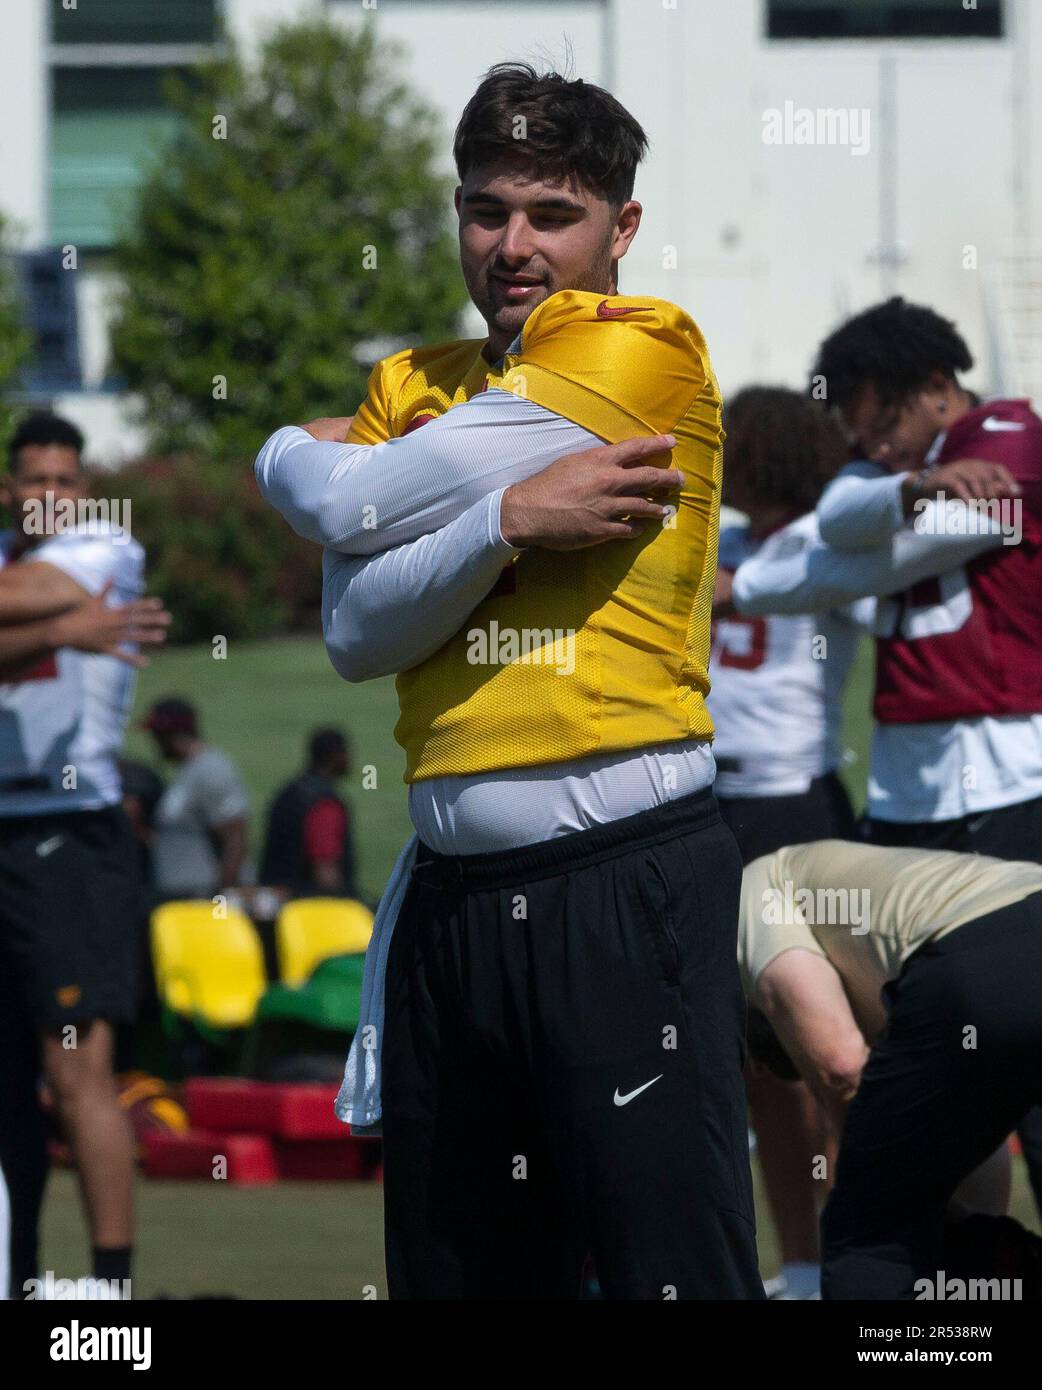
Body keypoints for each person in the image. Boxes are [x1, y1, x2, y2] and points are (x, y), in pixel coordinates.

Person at [258, 63, 762, 1300]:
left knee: (669, 1271)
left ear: (620, 228)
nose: (514, 244)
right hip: (452, 902)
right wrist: (507, 522)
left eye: (552, 213)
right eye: (487, 210)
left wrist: (282, 448)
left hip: (619, 879)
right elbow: (359, 633)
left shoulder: (642, 349)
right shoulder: (410, 383)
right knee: (460, 1277)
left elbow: (342, 498)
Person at [728, 297, 1042, 1210]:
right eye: (856, 433)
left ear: (937, 389)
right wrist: (903, 495)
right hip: (906, 798)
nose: (874, 448)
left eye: (883, 425)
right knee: (912, 1072)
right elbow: (837, 525)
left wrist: (857, 536)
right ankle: (923, 1289)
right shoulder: (898, 482)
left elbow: (872, 544)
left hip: (1013, 777)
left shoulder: (1010, 430)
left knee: (1029, 1059)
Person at [0, 410, 169, 1299]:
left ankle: (109, 1292)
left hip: (70, 833)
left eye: (66, 481)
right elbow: (33, 613)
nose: (51, 498)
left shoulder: (105, 544)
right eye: (35, 481)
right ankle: (18, 1275)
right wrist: (65, 636)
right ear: (9, 490)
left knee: (78, 1071)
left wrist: (45, 623)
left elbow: (18, 602)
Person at [708, 386, 863, 1299]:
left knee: (821, 1051)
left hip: (792, 805)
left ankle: (848, 1258)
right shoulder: (713, 539)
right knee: (751, 1057)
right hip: (708, 798)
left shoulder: (827, 542)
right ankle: (800, 1264)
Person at [737, 838, 1042, 1299]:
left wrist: (879, 1184)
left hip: (982, 956)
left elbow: (839, 1066)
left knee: (867, 1240)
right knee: (975, 1253)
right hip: (1018, 916)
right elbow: (979, 1140)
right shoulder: (877, 967)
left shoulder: (754, 891)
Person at [143, 697, 250, 900]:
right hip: (182, 896)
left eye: (156, 735)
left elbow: (235, 837)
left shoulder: (212, 770)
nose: (154, 742)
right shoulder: (188, 772)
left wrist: (224, 895)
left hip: (204, 897)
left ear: (170, 734)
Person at [260, 727, 358, 899]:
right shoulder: (324, 803)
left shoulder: (288, 792)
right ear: (335, 755)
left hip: (276, 900)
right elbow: (325, 869)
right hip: (310, 908)